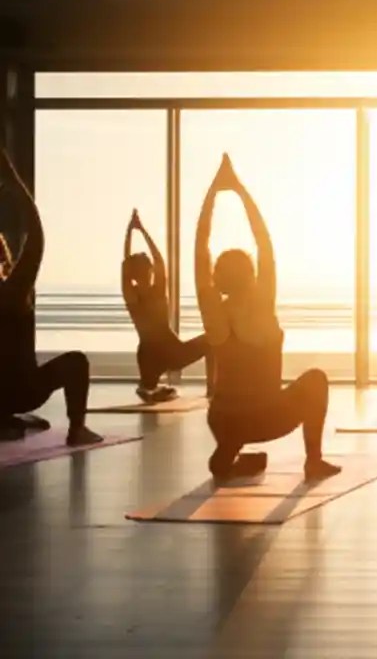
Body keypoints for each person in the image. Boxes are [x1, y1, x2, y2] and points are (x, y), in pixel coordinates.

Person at [195, 154, 339, 483]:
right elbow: (264, 242)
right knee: (315, 379)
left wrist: (213, 194)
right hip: (266, 417)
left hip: (224, 420)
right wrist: (241, 191)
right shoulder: (262, 303)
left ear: (218, 278)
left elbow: (200, 249)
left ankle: (226, 455)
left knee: (234, 423)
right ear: (251, 275)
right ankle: (313, 461)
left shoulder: (214, 313)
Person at [0, 149, 101, 445]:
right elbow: (36, 237)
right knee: (76, 362)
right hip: (20, 393)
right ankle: (77, 429)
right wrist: (13, 181)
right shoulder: (12, 291)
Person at [122, 209, 212, 403]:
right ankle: (211, 390)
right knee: (212, 339)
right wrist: (140, 230)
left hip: (152, 354)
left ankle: (150, 389)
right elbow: (157, 260)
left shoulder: (133, 295)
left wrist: (132, 230)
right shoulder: (155, 290)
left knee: (147, 389)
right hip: (168, 352)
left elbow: (128, 265)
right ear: (149, 270)